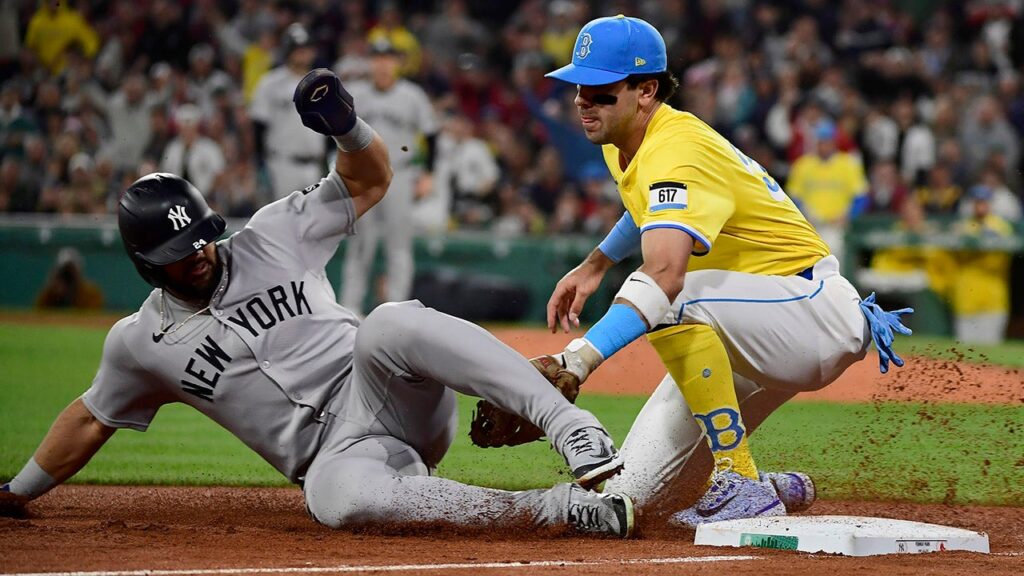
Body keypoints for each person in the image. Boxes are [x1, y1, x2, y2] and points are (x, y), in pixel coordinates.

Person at [0, 68, 634, 538]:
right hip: (337, 457)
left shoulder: (273, 232)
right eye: (177, 252)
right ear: (144, 264)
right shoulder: (139, 343)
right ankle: (555, 510)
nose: (197, 254)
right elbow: (90, 418)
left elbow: (371, 178)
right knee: (334, 501)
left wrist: (345, 128)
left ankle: (573, 430)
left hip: (385, 388)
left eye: (200, 238)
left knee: (387, 322)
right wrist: (18, 491)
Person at [540, 16, 911, 528]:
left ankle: (739, 480)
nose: (584, 100)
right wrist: (596, 262)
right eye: (579, 86)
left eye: (600, 90)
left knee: (668, 290)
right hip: (746, 323)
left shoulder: (678, 149)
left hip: (808, 311)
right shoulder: (623, 140)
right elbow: (647, 207)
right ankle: (766, 484)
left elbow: (665, 275)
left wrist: (578, 360)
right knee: (632, 496)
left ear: (646, 91)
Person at [338, 39, 438, 314]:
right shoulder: (356, 94)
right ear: (370, 62)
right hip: (364, 177)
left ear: (397, 63)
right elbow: (337, 134)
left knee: (399, 245)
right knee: (360, 245)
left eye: (388, 58)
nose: (383, 64)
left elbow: (431, 135)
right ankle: (349, 309)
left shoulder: (412, 95)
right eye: (378, 58)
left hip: (400, 173)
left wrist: (428, 173)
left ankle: (398, 310)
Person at [250, 23, 327, 200]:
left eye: (306, 48)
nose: (302, 53)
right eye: (297, 49)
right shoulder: (270, 83)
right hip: (281, 166)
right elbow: (259, 126)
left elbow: (330, 129)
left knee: (314, 218)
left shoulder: (323, 83)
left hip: (315, 167)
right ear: (287, 51)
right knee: (282, 217)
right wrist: (260, 163)